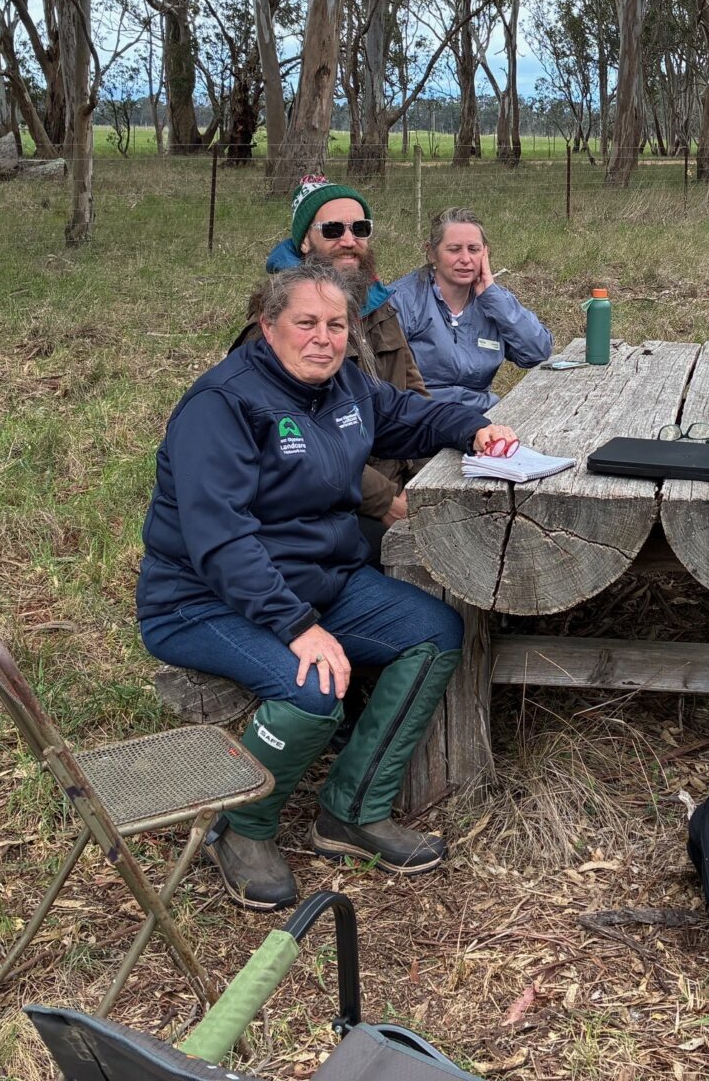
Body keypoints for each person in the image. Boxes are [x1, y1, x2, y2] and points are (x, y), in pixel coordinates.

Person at [138, 261, 523, 909]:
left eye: (336, 325)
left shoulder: (344, 385)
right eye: (306, 323)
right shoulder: (222, 406)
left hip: (316, 582)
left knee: (434, 634)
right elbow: (221, 541)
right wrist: (297, 627)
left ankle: (351, 810)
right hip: (203, 600)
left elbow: (407, 416)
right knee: (312, 688)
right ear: (267, 327)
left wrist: (472, 427)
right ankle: (244, 825)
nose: (323, 337)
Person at [242, 177, 426, 562]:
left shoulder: (376, 301)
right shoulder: (280, 323)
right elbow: (304, 442)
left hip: (398, 481)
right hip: (326, 504)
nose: (348, 240)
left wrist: (432, 474)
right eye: (332, 229)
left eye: (359, 228)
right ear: (305, 241)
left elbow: (414, 396)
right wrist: (386, 501)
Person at [386, 208, 553, 415]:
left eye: (473, 249)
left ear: (485, 253)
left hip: (484, 415)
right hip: (423, 419)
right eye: (454, 249)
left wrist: (494, 299)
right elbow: (386, 382)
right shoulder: (400, 300)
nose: (465, 259)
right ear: (431, 252)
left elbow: (537, 353)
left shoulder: (494, 301)